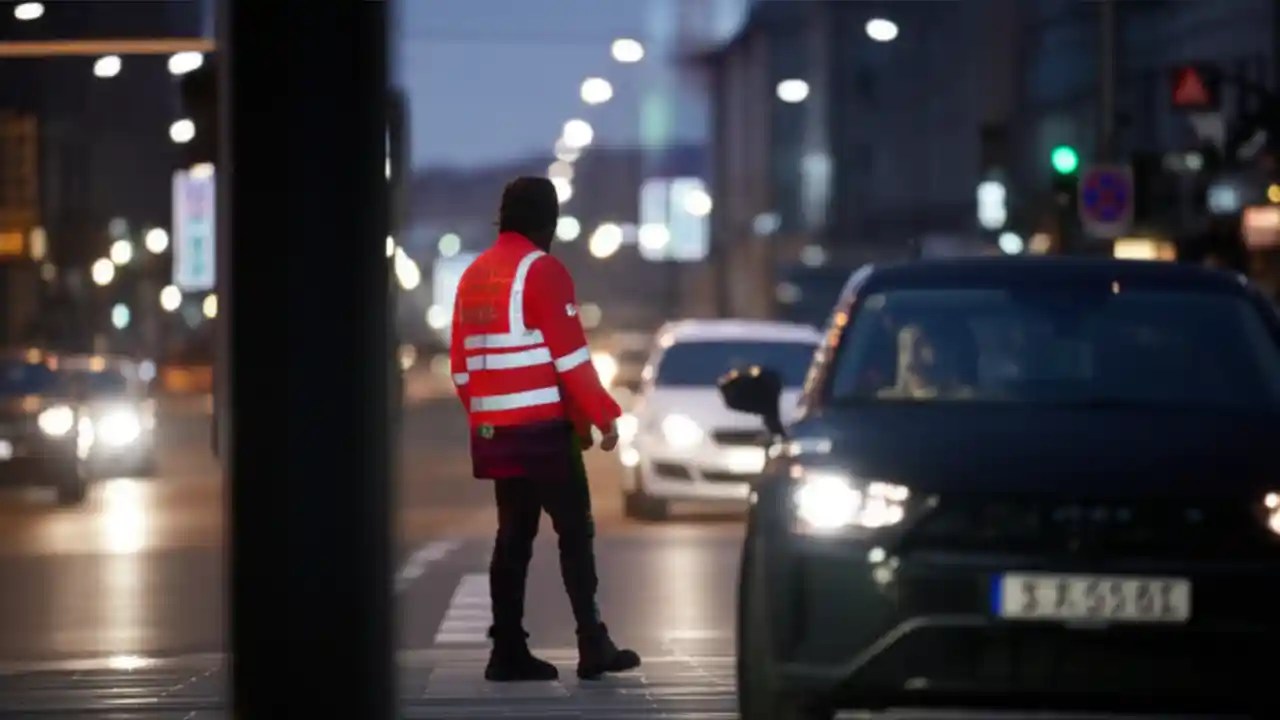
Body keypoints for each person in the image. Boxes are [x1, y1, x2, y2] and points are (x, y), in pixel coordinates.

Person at [449, 176, 641, 683]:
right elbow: (572, 358)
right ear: (547, 221)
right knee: (575, 531)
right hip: (544, 433)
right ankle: (591, 641)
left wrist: (487, 414)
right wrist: (603, 415)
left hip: (498, 435)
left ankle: (507, 648)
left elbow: (461, 368)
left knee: (513, 535)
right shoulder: (543, 271)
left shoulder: (472, 275)